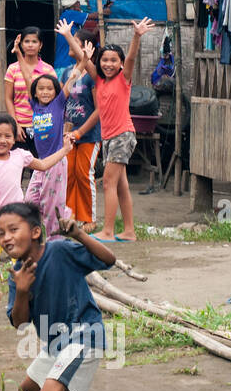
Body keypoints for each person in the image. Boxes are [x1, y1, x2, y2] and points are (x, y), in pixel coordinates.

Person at [0, 202, 115, 391]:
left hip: (84, 333)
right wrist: (22, 290)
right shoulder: (16, 273)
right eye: (0, 233)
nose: (6, 238)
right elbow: (20, 322)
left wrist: (80, 235)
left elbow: (108, 259)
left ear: (36, 232)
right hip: (57, 343)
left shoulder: (60, 251)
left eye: (13, 229)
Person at [0, 114, 72, 322]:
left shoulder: (20, 156)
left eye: (8, 136)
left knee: (22, 263)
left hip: (16, 223)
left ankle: (25, 298)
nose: (2, 140)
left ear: (15, 139)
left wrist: (65, 150)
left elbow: (42, 165)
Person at [57, 17, 155, 241]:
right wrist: (68, 36)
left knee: (109, 183)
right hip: (109, 137)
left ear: (120, 64)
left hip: (122, 135)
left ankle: (108, 231)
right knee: (121, 185)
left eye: (114, 61)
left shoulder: (124, 79)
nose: (108, 64)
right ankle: (129, 231)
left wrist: (137, 36)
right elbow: (83, 58)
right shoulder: (98, 80)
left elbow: (131, 57)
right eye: (105, 60)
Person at [25, 72, 79, 239]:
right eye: (41, 89)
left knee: (50, 206)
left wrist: (83, 63)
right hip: (41, 162)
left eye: (49, 89)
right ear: (35, 92)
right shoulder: (35, 106)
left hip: (55, 162)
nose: (45, 92)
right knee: (29, 201)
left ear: (56, 93)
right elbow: (27, 78)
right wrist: (19, 52)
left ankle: (55, 240)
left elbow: (70, 83)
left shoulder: (57, 105)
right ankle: (64, 213)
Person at [63, 48, 102, 230]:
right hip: (68, 132)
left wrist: (80, 132)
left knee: (84, 174)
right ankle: (69, 214)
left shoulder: (93, 76)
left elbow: (99, 109)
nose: (70, 45)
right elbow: (62, 102)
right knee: (68, 173)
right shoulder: (66, 72)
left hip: (89, 134)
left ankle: (89, 218)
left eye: (75, 41)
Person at [3, 27, 54, 150]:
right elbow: (8, 98)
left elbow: (53, 100)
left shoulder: (48, 70)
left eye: (34, 42)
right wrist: (15, 125)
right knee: (16, 167)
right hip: (19, 125)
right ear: (21, 44)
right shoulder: (12, 69)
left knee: (40, 167)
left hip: (42, 125)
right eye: (26, 41)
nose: (30, 45)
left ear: (40, 45)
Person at [53, 0, 89, 73]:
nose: (80, 6)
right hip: (65, 65)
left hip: (66, 65)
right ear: (75, 4)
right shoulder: (70, 13)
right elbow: (93, 16)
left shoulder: (70, 18)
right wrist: (104, 11)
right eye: (78, 3)